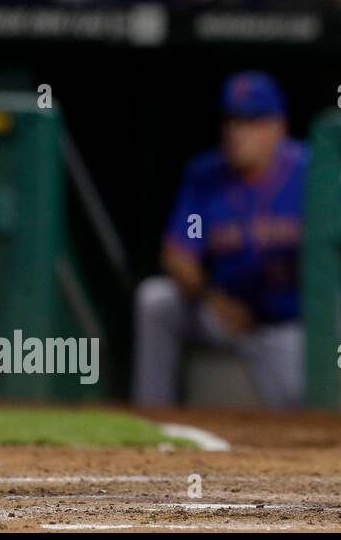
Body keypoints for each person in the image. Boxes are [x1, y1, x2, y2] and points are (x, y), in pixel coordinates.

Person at [132, 73, 308, 408]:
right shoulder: (207, 177)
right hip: (222, 311)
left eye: (252, 121)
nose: (237, 133)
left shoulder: (310, 171)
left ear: (278, 126)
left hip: (285, 324)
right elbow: (179, 253)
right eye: (232, 120)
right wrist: (212, 297)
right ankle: (152, 414)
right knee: (156, 300)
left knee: (297, 404)